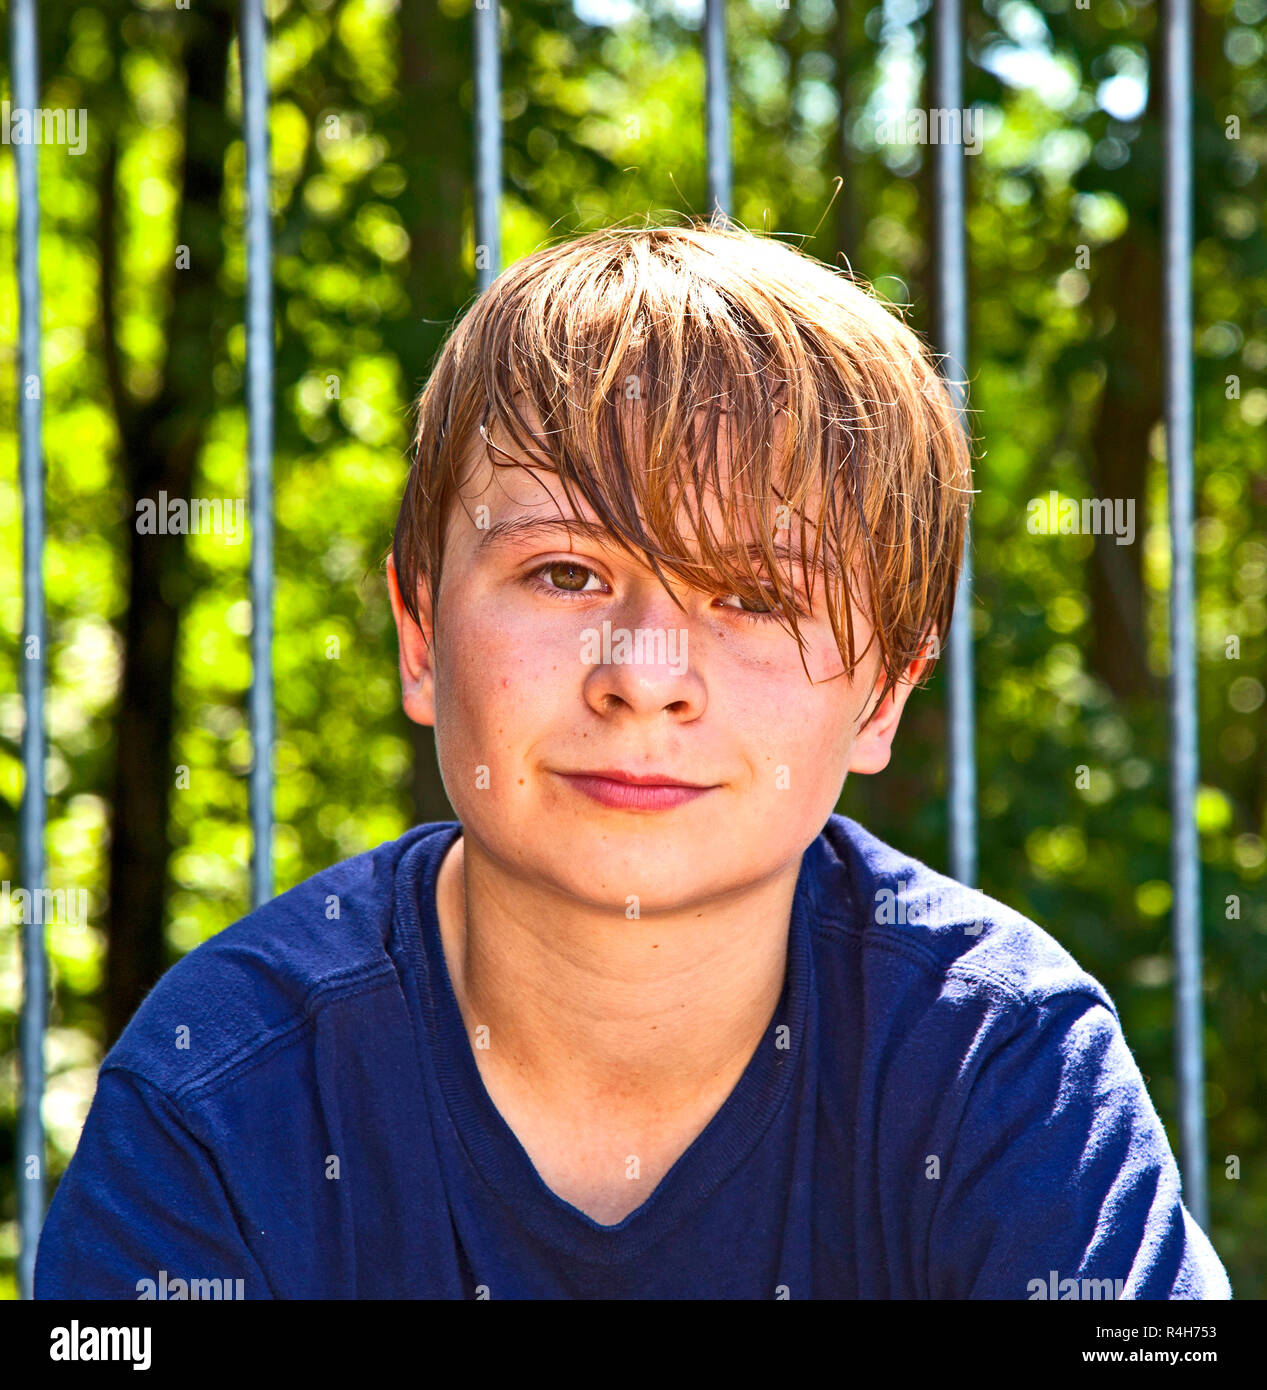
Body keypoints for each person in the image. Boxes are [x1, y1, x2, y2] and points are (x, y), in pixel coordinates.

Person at [35, 219, 1232, 1298]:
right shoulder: (226, 1093)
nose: (646, 669)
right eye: (566, 573)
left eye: (756, 596)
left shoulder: (1000, 1061)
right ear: (419, 635)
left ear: (884, 694)